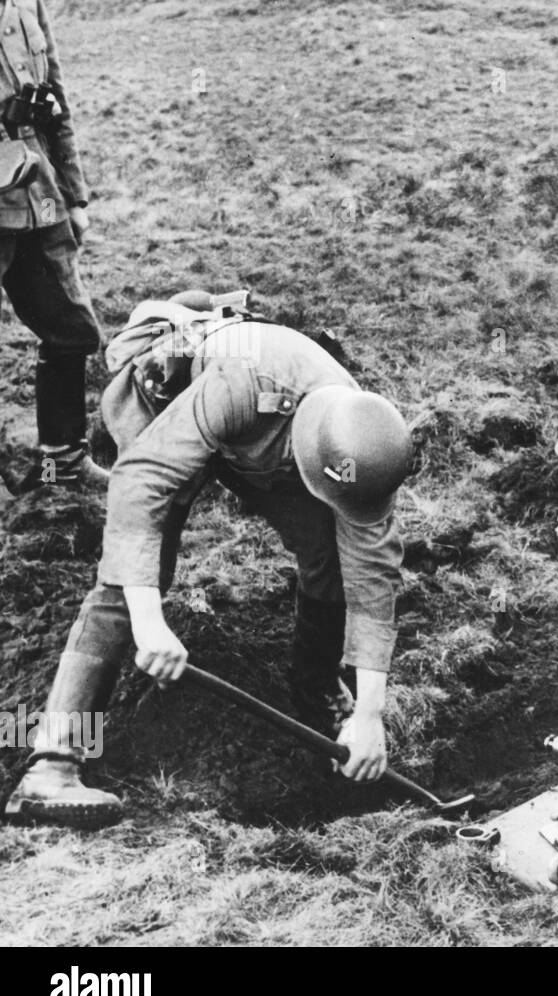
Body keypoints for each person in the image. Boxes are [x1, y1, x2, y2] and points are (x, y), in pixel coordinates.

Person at [4, 297, 413, 827]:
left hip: (265, 447)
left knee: (332, 554)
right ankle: (52, 764)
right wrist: (151, 624)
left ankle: (316, 691)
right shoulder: (243, 383)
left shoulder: (359, 444)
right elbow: (139, 484)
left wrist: (369, 712)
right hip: (173, 397)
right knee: (131, 581)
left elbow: (373, 576)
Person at [0, 0, 105, 486]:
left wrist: (76, 195)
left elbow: (55, 101)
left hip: (35, 188)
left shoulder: (26, 3)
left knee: (70, 327)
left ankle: (59, 463)